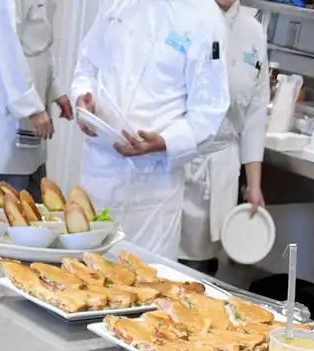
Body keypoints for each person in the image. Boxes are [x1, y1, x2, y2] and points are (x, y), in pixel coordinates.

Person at [71, 0, 230, 257]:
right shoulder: (116, 4)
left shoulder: (205, 18)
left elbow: (209, 110)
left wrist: (164, 142)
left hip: (153, 190)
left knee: (146, 284)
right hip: (99, 173)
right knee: (80, 279)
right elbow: (87, 66)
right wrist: (82, 99)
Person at [179, 0, 269, 271]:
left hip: (221, 166)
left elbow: (255, 113)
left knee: (201, 269)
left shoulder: (253, 31)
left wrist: (254, 184)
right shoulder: (182, 17)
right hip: (177, 163)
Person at [0, 0, 73, 195]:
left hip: (34, 94)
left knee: (33, 190)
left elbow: (40, 42)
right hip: (10, 101)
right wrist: (31, 107)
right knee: (7, 197)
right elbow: (7, 45)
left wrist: (56, 89)